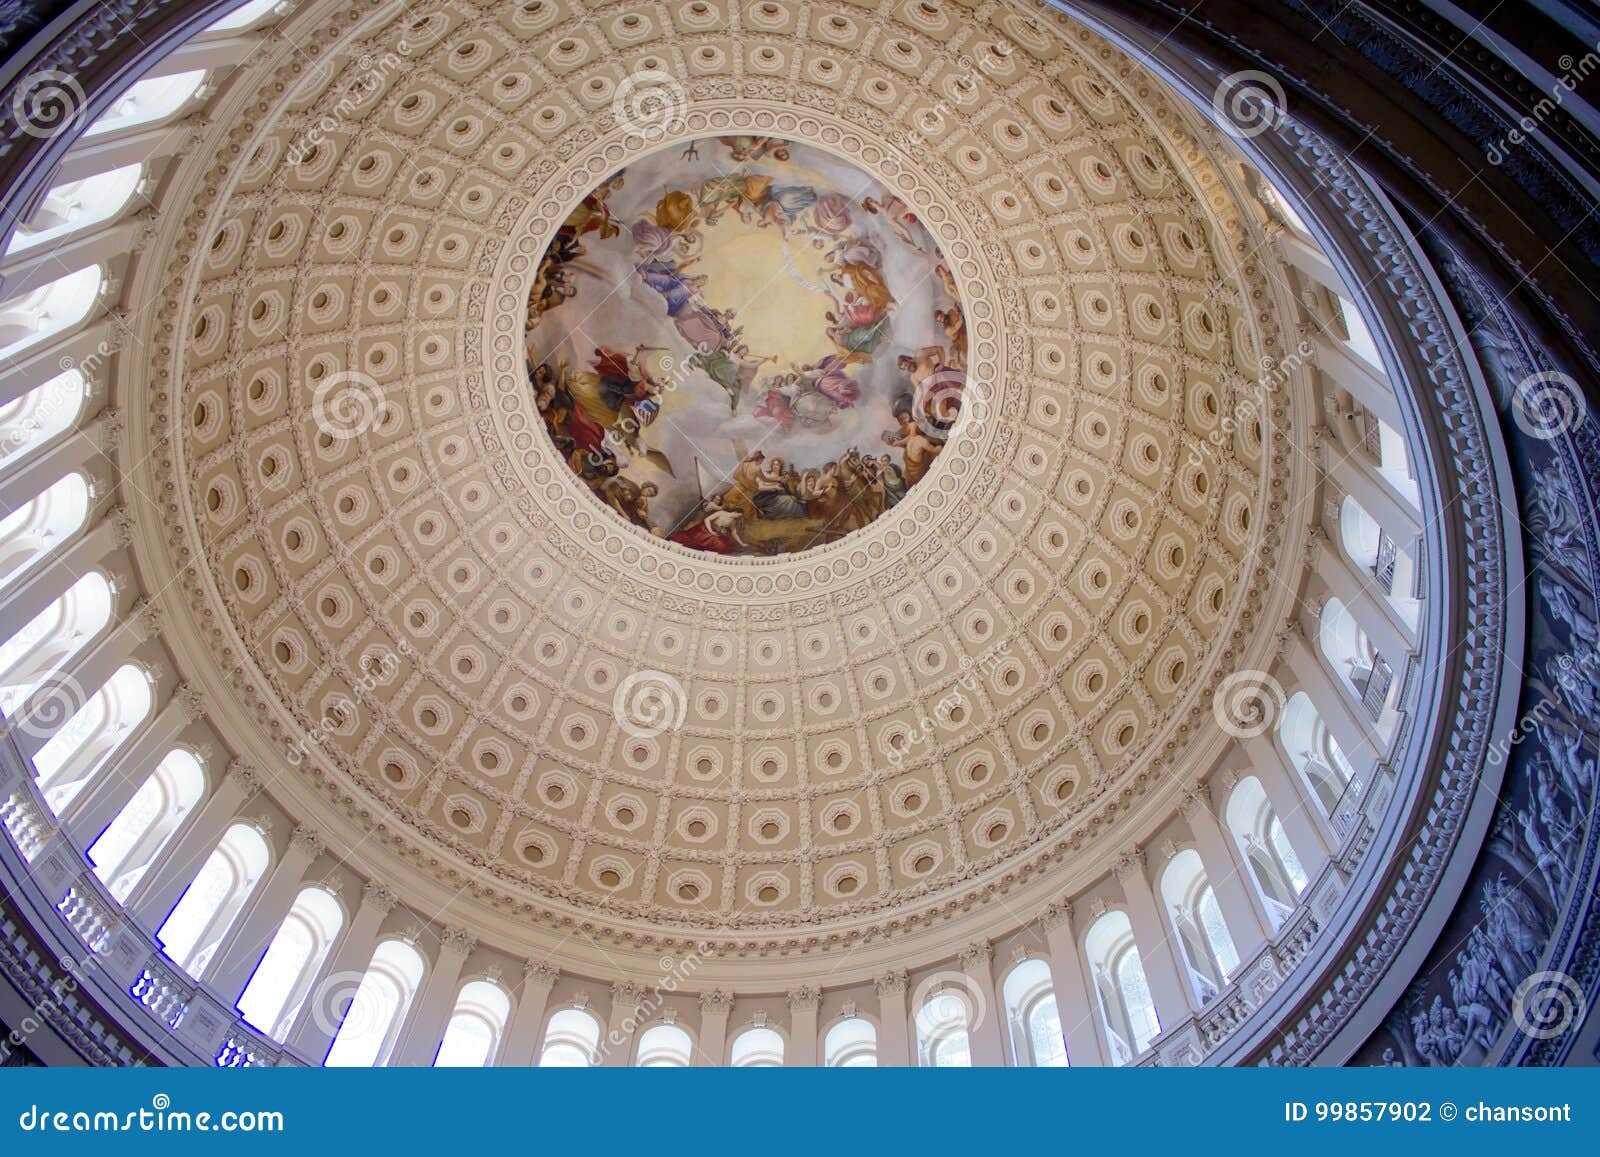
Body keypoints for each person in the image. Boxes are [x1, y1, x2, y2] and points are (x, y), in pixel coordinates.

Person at [670, 495, 747, 553]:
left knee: (723, 546)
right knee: (694, 538)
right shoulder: (722, 513)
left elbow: (734, 532)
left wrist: (741, 543)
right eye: (739, 515)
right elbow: (707, 519)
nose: (738, 517)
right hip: (707, 529)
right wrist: (711, 531)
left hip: (716, 533)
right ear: (735, 512)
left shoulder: (733, 521)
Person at [883, 412, 943, 485]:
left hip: (924, 434)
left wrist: (900, 442)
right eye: (889, 442)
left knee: (918, 443)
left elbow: (913, 435)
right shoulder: (896, 440)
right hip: (920, 443)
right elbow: (910, 441)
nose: (891, 440)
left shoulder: (902, 430)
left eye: (889, 437)